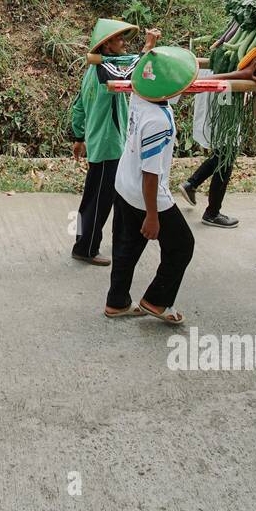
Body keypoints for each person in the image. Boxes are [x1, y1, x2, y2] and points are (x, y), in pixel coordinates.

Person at [104, 44, 199, 324]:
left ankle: (117, 302)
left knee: (126, 247)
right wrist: (153, 216)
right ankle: (156, 301)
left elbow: (186, 85)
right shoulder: (159, 122)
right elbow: (150, 173)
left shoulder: (139, 93)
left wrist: (148, 49)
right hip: (147, 195)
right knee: (182, 245)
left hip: (123, 184)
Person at [70, 18, 142, 265]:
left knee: (92, 198)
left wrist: (79, 137)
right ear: (107, 45)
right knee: (99, 201)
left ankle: (83, 243)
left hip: (99, 143)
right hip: (108, 145)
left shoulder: (92, 70)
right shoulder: (104, 70)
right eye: (120, 39)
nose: (124, 43)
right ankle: (86, 248)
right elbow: (133, 73)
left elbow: (78, 107)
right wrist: (148, 50)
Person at [178, 57, 256, 229]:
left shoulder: (230, 54)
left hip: (222, 93)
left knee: (224, 152)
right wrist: (243, 74)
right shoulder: (230, 57)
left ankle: (192, 184)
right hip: (222, 97)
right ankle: (212, 212)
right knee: (227, 153)